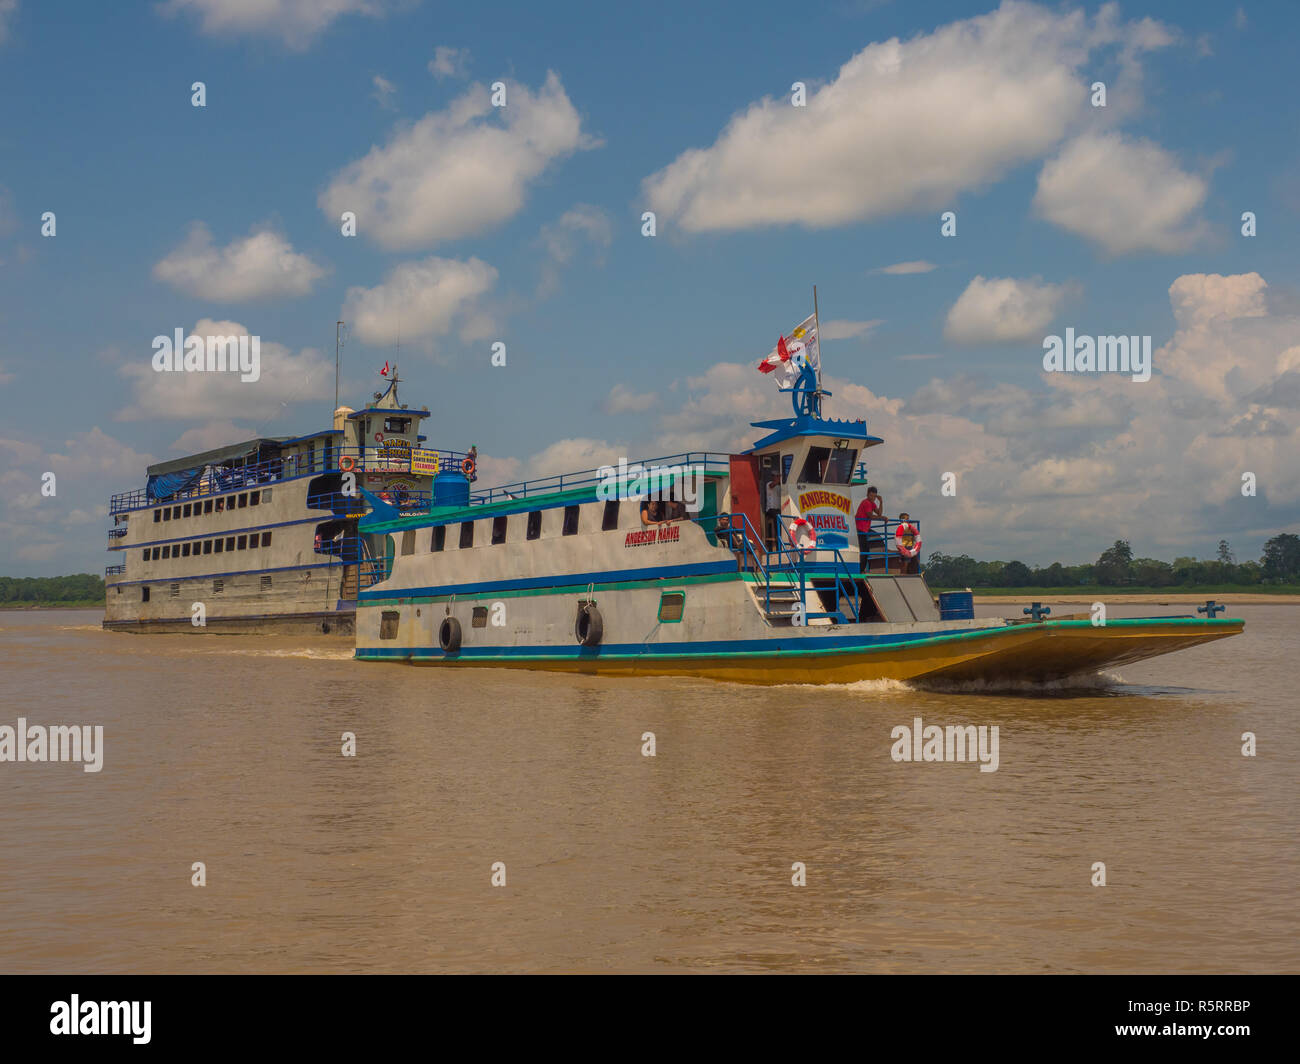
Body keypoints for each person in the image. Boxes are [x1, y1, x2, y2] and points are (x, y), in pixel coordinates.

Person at [855, 486, 885, 572]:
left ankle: (861, 569)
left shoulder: (872, 503)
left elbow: (879, 513)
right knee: (864, 550)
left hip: (864, 530)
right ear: (867, 495)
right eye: (871, 496)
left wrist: (881, 502)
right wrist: (883, 518)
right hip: (860, 529)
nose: (873, 498)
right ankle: (860, 570)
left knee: (865, 550)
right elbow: (870, 516)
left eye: (874, 496)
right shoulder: (866, 502)